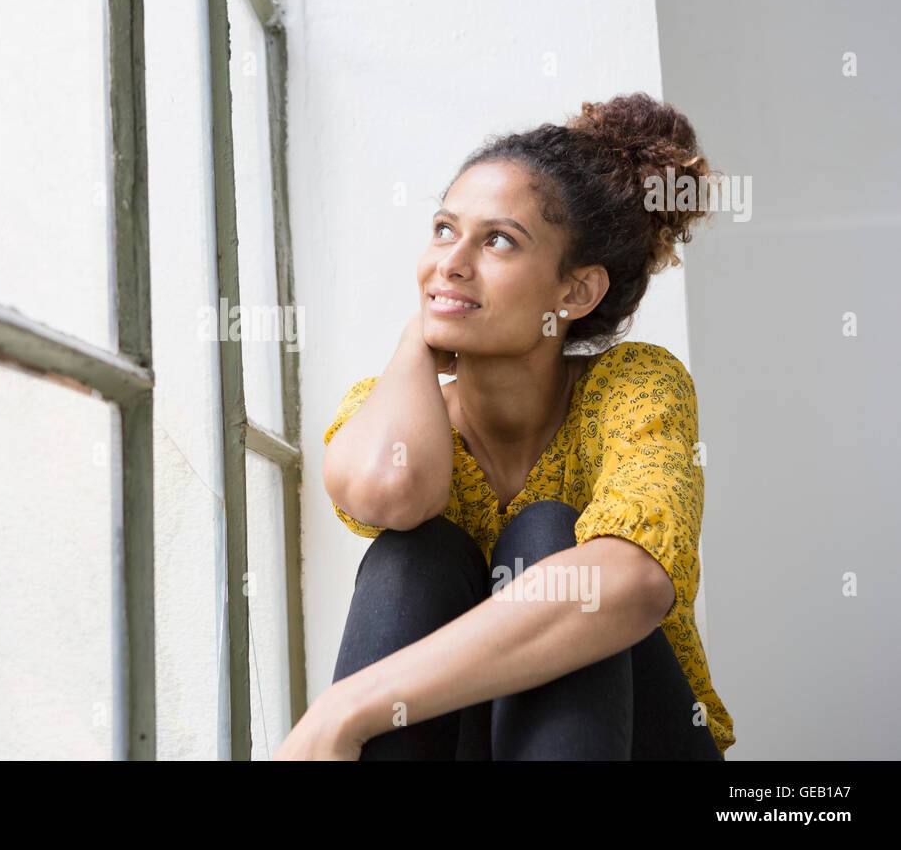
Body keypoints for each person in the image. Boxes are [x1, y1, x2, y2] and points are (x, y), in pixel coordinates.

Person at [271, 92, 734, 760]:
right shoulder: (388, 404)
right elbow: (389, 495)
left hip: (645, 745)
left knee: (550, 532)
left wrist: (346, 706)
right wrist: (418, 341)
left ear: (574, 293)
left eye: (496, 241)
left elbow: (632, 584)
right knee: (415, 554)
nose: (451, 262)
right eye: (442, 230)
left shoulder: (634, 388)